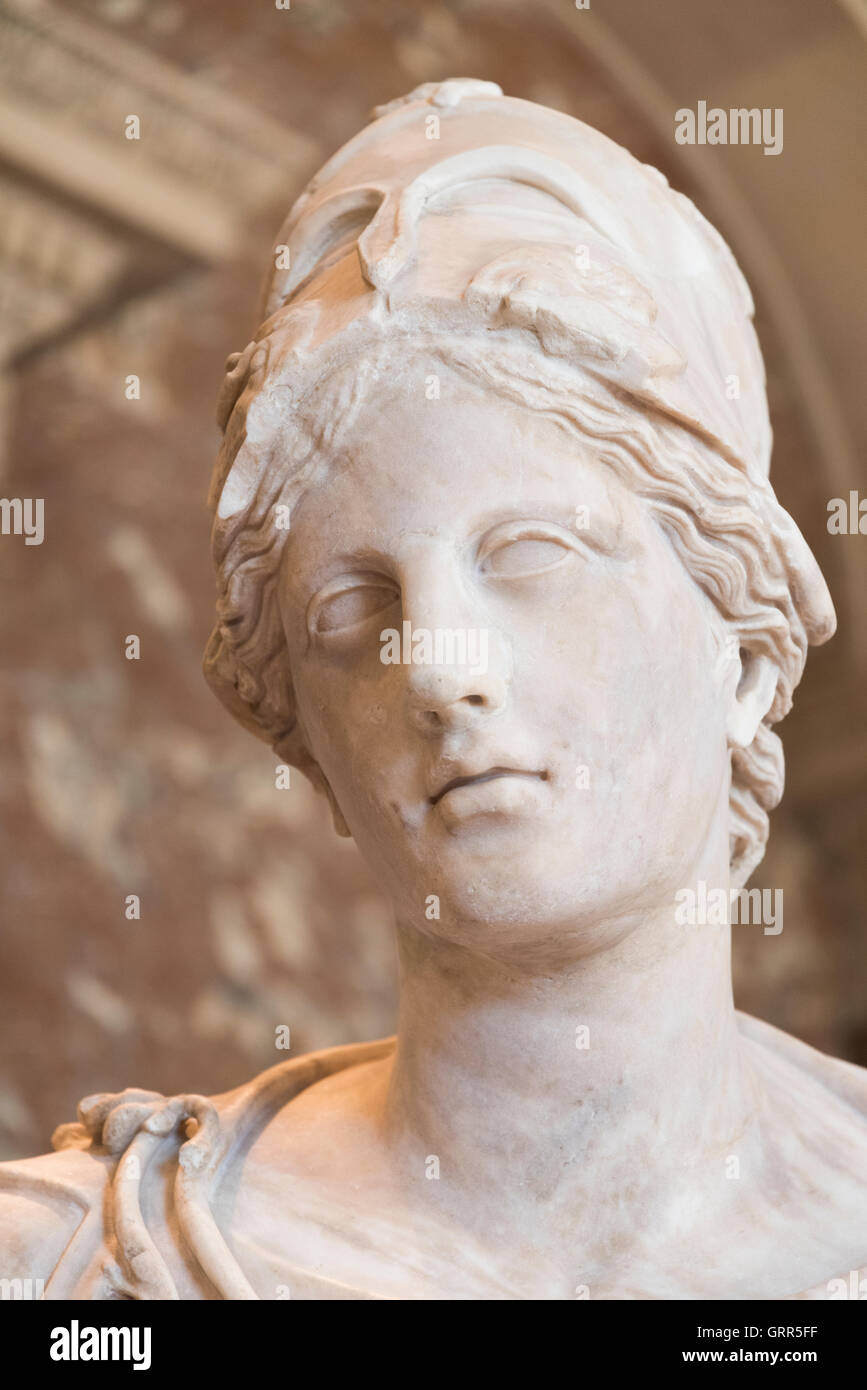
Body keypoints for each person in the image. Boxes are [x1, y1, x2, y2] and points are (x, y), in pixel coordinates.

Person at [1, 79, 864, 1301]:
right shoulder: (65, 1272)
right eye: (353, 609)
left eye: (531, 555)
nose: (442, 666)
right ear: (312, 754)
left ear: (749, 657)